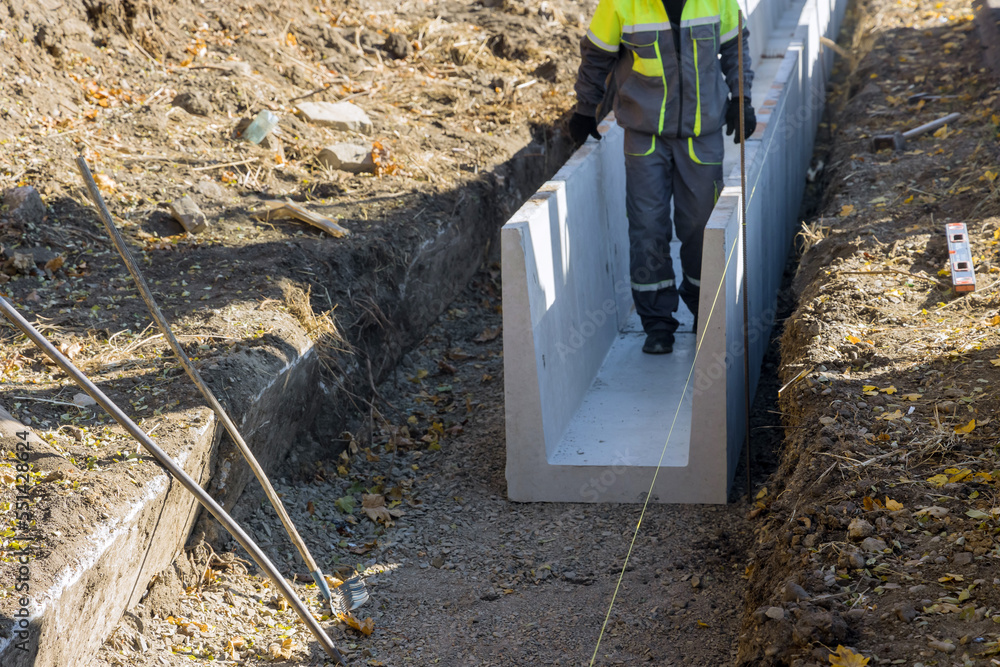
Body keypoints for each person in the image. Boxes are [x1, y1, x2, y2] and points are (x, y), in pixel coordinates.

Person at [569, 0, 756, 354]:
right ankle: (657, 323)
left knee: (702, 226)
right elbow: (596, 56)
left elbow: (735, 48)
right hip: (644, 134)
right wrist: (583, 109)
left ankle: (705, 311)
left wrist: (741, 98)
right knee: (647, 226)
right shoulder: (621, 4)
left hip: (702, 133)